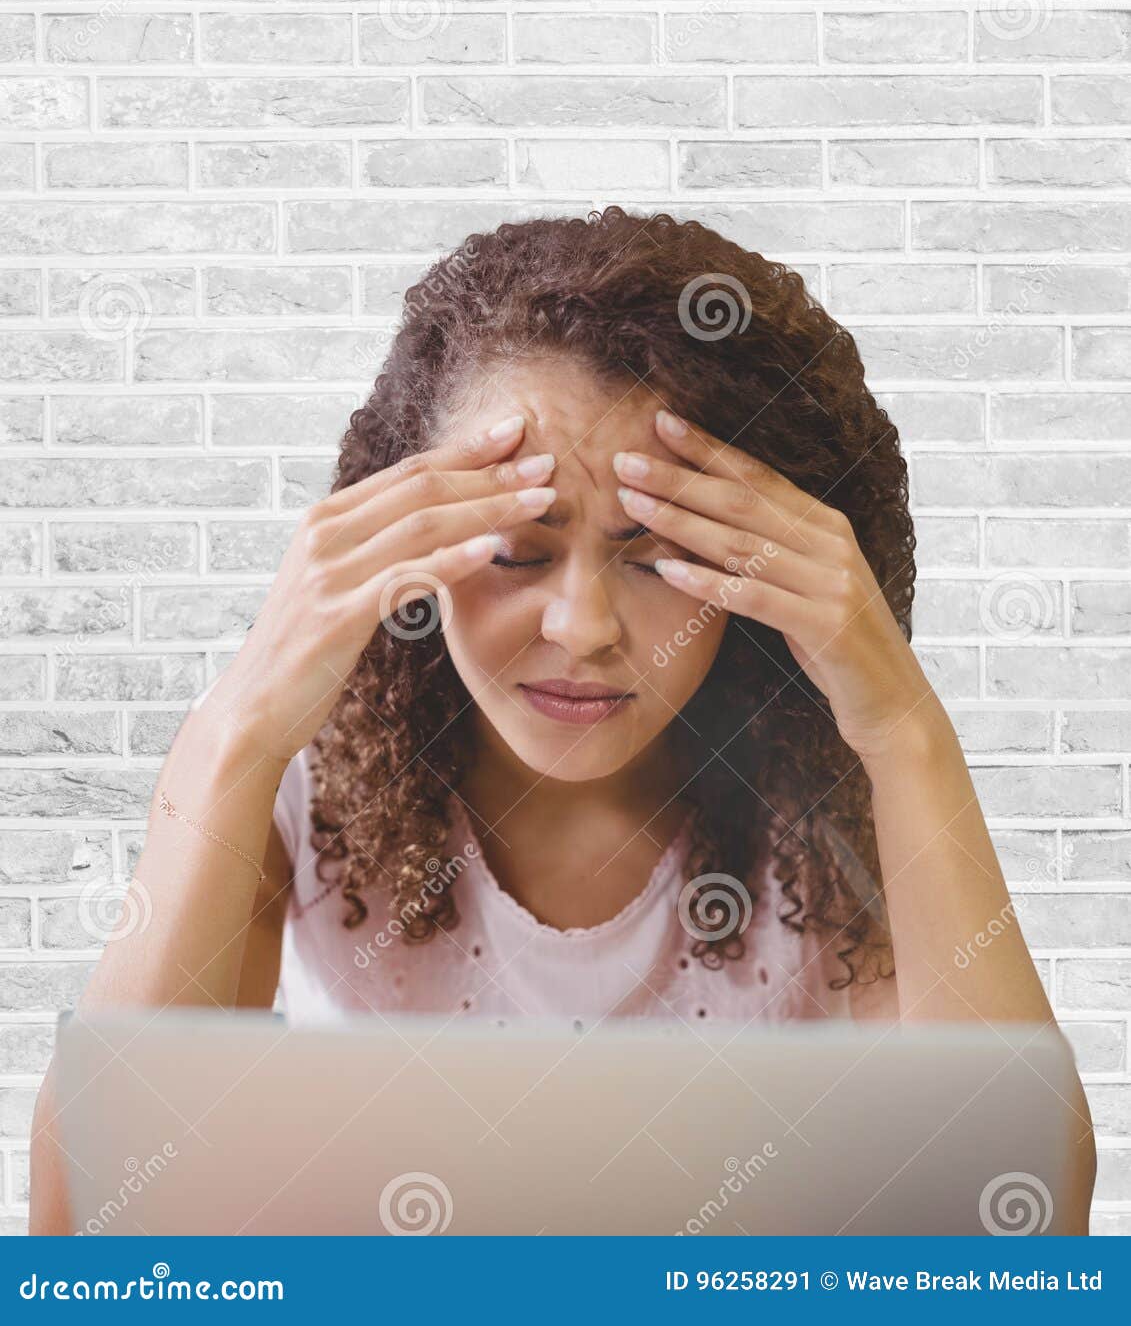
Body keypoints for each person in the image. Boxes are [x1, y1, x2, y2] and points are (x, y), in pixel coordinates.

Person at [28, 207, 1096, 1233]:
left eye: (656, 555)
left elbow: (1014, 1226)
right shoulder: (306, 802)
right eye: (517, 551)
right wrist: (239, 728)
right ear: (413, 548)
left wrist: (906, 727)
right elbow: (89, 1231)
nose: (583, 627)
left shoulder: (832, 806)